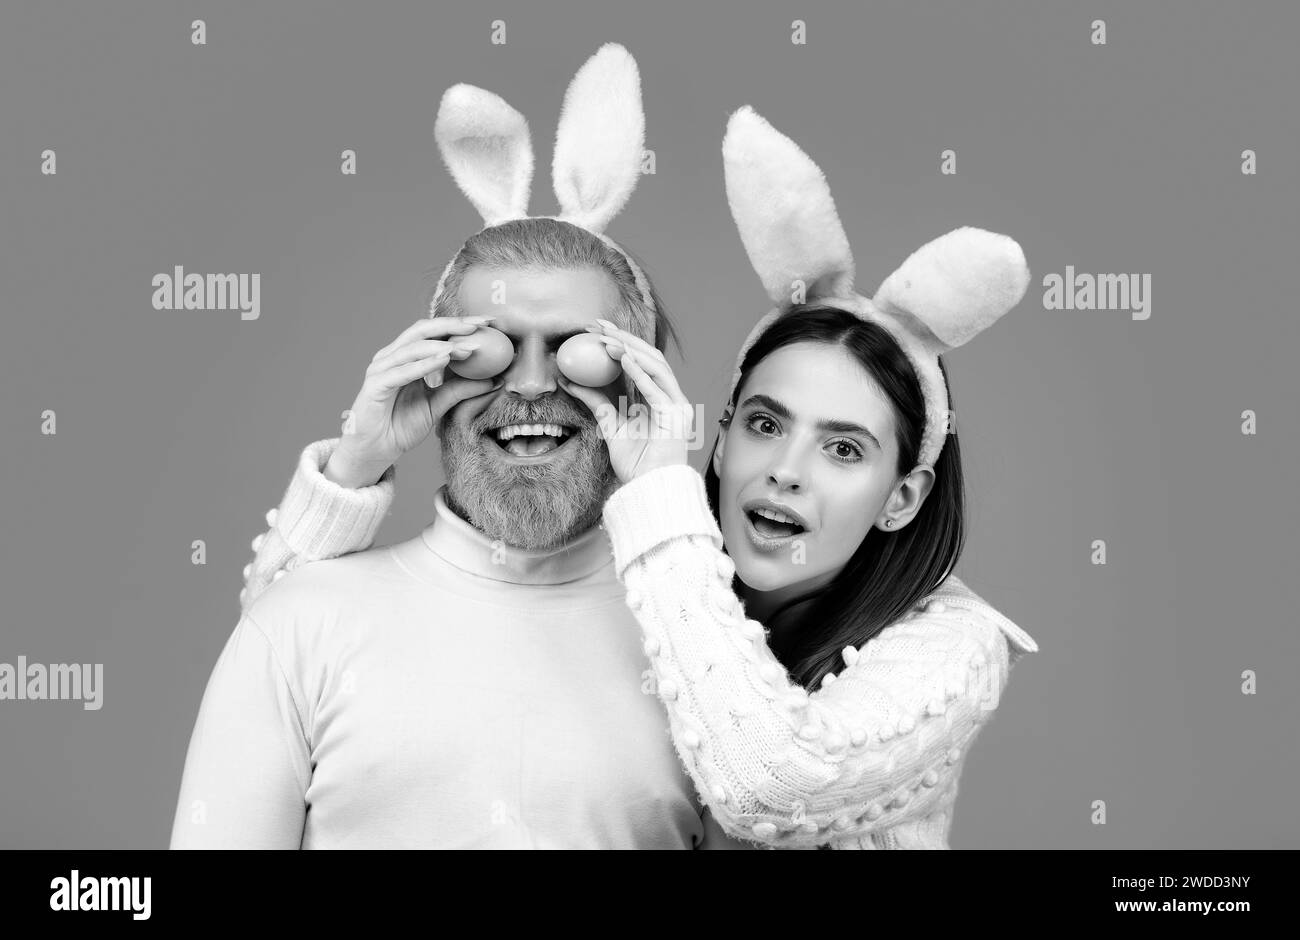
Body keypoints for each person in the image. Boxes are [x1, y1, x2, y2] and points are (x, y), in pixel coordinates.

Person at [226, 105, 1040, 849]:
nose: (787, 472)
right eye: (765, 425)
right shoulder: (670, 588)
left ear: (903, 496)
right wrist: (357, 462)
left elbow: (771, 785)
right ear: (720, 438)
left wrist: (657, 494)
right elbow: (281, 654)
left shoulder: (950, 647)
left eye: (844, 449)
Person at [170, 44, 750, 850]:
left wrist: (665, 496)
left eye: (576, 347)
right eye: (493, 346)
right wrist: (356, 458)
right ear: (433, 367)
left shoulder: (708, 649)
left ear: (637, 383)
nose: (533, 385)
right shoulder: (301, 621)